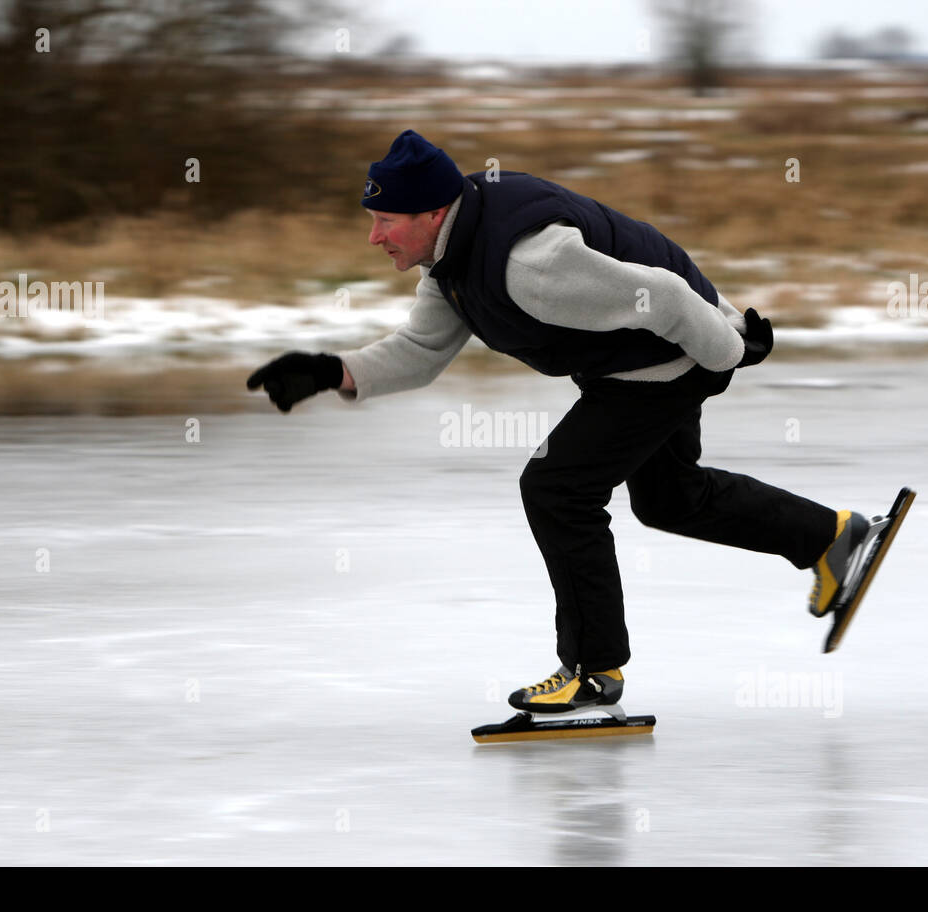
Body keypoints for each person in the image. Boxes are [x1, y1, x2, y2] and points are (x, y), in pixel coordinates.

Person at [247, 130, 869, 717]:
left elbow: (667, 296)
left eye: (385, 221)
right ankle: (831, 537)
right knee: (670, 497)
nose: (374, 236)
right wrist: (332, 371)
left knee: (556, 487)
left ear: (432, 213)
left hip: (671, 357)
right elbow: (420, 352)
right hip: (638, 361)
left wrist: (731, 351)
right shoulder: (453, 262)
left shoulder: (530, 263)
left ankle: (593, 672)